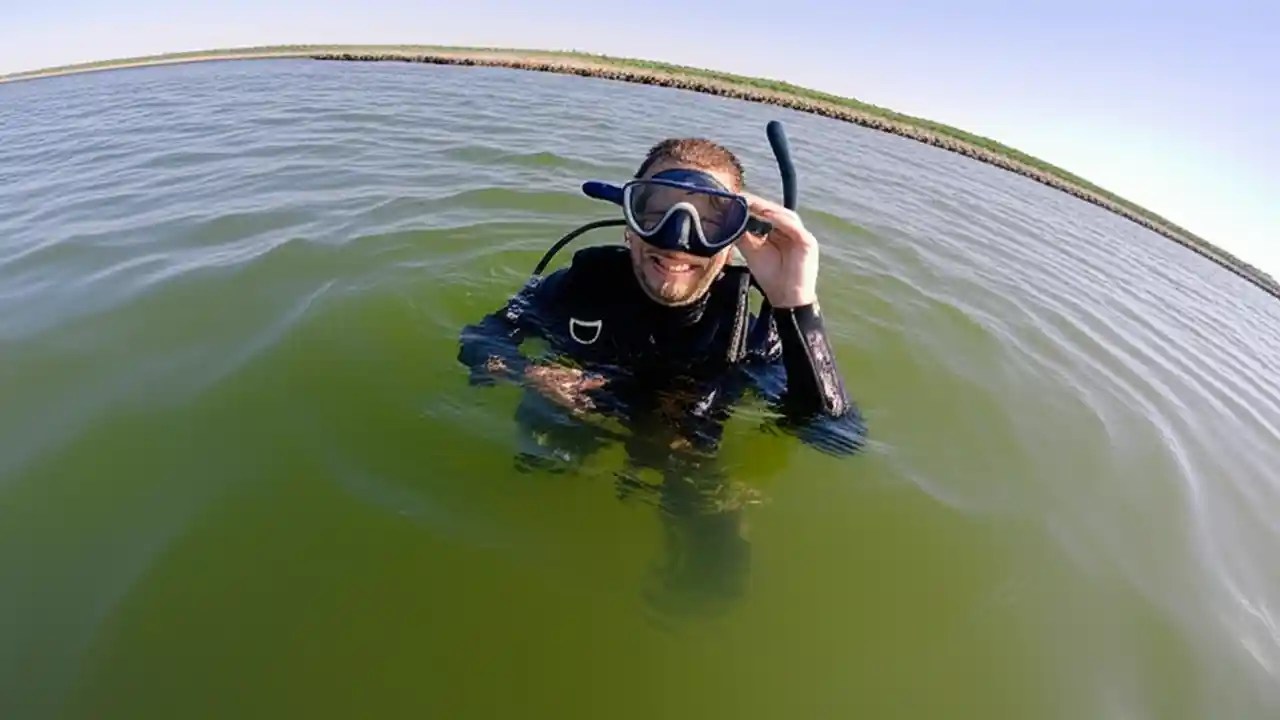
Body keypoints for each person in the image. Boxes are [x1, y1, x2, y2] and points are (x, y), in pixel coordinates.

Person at [457, 136, 864, 610]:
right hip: (572, 416)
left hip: (681, 446)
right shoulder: (578, 287)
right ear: (630, 223)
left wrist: (796, 303)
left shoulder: (750, 333)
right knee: (536, 470)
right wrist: (528, 373)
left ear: (734, 240)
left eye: (710, 219)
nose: (678, 236)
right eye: (657, 212)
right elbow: (479, 343)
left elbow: (834, 435)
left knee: (712, 556)